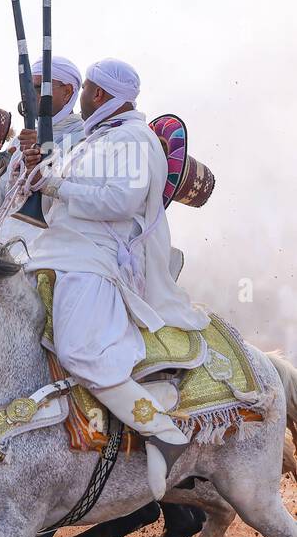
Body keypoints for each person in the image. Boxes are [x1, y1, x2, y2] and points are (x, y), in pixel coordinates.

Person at [20, 57, 209, 499]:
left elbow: (119, 203)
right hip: (55, 252)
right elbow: (55, 200)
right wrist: (37, 168)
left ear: (100, 95)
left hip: (94, 260)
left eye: (85, 88)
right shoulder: (92, 140)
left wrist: (54, 185)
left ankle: (162, 430)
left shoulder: (131, 139)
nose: (83, 97)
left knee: (80, 351)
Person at [0, 55, 86, 258]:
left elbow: (78, 197)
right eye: (28, 89)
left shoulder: (83, 139)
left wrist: (43, 157)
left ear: (67, 92)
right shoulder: (19, 141)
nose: (30, 96)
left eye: (37, 88)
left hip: (49, 254)